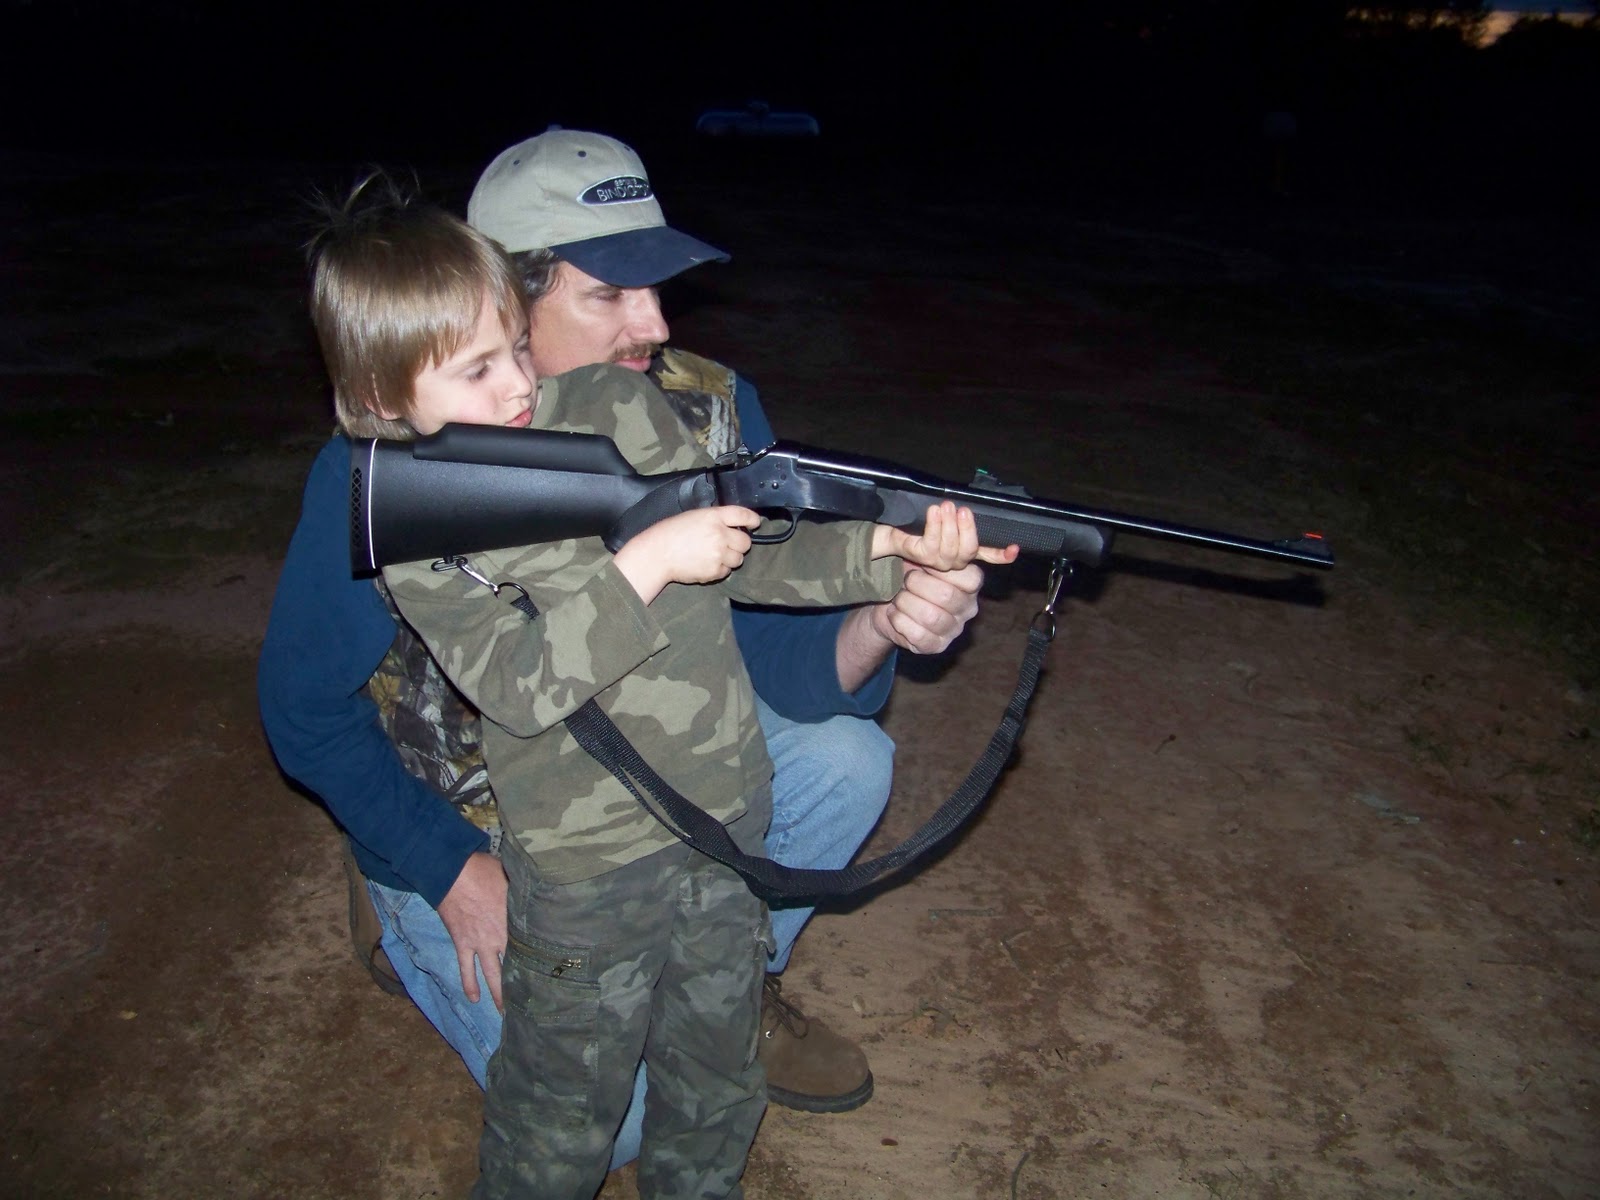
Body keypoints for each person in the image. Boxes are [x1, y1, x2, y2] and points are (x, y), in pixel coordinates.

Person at [289, 178, 1002, 1195]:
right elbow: (520, 684)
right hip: (581, 871)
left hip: (718, 818)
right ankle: (402, 920)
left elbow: (751, 554)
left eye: (512, 349)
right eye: (476, 369)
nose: (514, 389)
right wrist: (648, 562)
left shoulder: (624, 403)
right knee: (567, 1121)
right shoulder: (413, 523)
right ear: (378, 404)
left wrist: (887, 557)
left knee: (716, 1077)